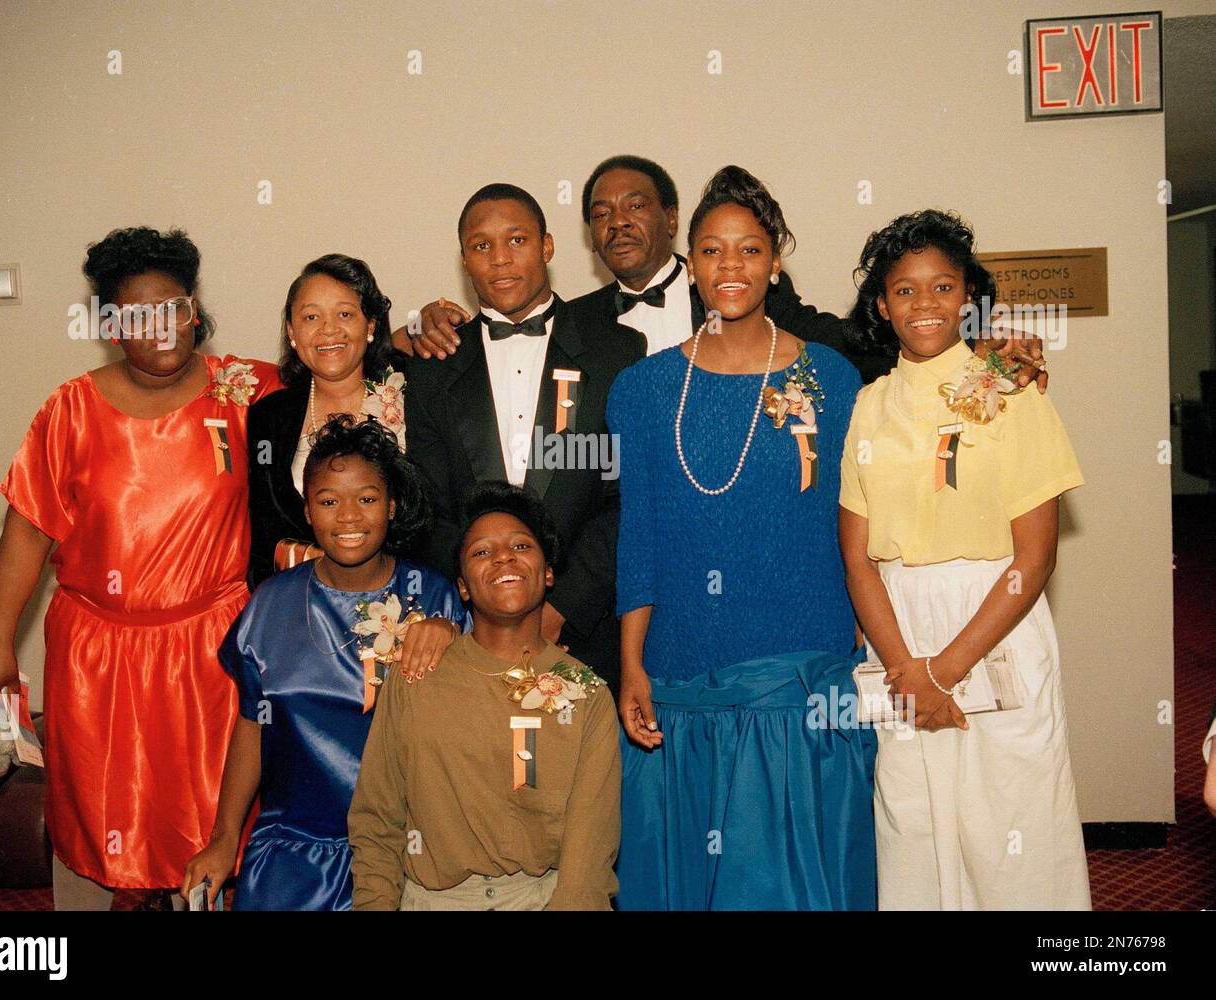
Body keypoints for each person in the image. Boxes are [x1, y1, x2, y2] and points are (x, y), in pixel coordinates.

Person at [0, 227, 281, 909]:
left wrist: (409, 338)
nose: (159, 327)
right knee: (117, 842)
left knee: (214, 837)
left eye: (172, 307)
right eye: (135, 314)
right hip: (99, 662)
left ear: (194, 309)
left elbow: (337, 375)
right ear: (110, 324)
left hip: (213, 655)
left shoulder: (247, 390)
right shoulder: (69, 411)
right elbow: (25, 534)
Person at [605, 166, 876, 909]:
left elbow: (855, 521)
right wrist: (632, 663)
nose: (731, 267)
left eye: (750, 249)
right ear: (690, 263)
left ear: (776, 259)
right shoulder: (642, 388)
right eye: (713, 251)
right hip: (682, 668)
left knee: (789, 882)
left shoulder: (832, 376)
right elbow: (641, 537)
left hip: (802, 666)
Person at [838, 209, 1091, 910]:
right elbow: (857, 559)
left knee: (1012, 831)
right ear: (883, 305)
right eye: (906, 291)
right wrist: (907, 672)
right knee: (913, 831)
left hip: (994, 625)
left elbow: (1035, 556)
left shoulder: (1010, 388)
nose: (925, 305)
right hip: (899, 638)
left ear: (969, 298)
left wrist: (945, 672)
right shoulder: (868, 405)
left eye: (942, 287)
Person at [399, 155, 1048, 392]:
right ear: (584, 238)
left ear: (672, 219)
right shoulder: (575, 319)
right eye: (602, 213)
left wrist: (973, 350)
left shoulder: (750, 295)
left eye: (637, 207)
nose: (620, 224)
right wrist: (409, 331)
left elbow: (864, 346)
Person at [181, 416, 467, 910]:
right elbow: (252, 725)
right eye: (330, 501)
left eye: (368, 499)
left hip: (409, 850)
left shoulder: (435, 597)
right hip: (293, 847)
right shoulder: (271, 604)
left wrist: (453, 637)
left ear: (392, 506)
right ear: (308, 511)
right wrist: (225, 837)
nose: (349, 517)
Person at [403, 183, 644, 689]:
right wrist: (486, 609)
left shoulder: (616, 351)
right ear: (464, 260)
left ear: (548, 246)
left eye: (517, 240)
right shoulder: (432, 368)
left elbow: (626, 499)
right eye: (481, 246)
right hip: (470, 638)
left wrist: (562, 608)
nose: (500, 260)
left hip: (587, 634)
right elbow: (428, 509)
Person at [349, 483, 621, 910]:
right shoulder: (415, 675)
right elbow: (377, 820)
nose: (503, 557)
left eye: (520, 545)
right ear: (463, 587)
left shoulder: (587, 695)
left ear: (548, 572)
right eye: (481, 552)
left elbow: (588, 862)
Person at [247, 254, 405, 589]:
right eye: (311, 317)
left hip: (406, 602)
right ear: (292, 331)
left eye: (345, 314)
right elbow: (262, 537)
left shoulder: (412, 402)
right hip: (300, 601)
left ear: (371, 324)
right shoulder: (267, 418)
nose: (328, 329)